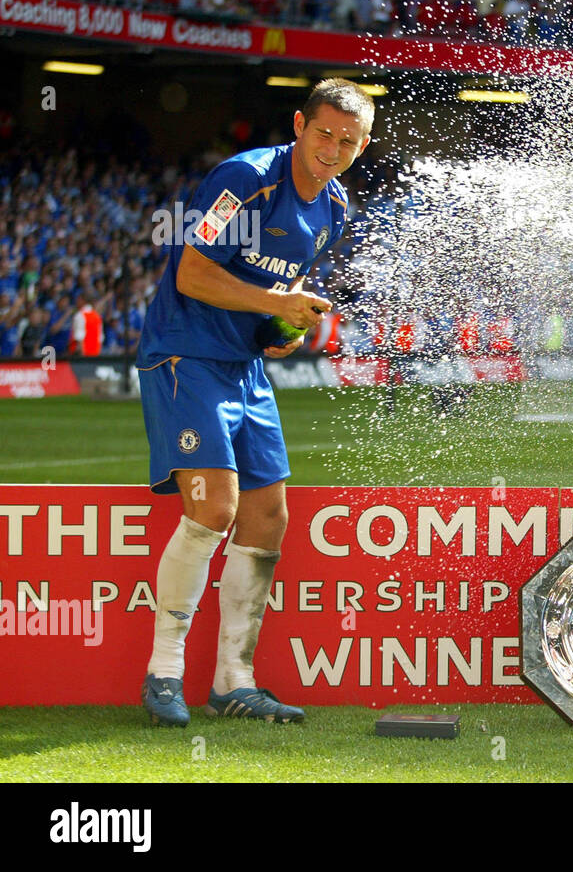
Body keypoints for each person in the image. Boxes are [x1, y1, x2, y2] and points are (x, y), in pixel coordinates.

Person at [137, 78, 373, 727]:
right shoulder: (242, 179)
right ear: (299, 124)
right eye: (323, 133)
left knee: (269, 514)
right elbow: (190, 272)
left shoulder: (334, 208)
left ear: (363, 145)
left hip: (244, 367)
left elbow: (283, 284)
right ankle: (163, 672)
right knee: (215, 507)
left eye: (348, 141)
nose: (332, 149)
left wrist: (282, 328)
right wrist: (275, 304)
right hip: (185, 353)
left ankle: (234, 679)